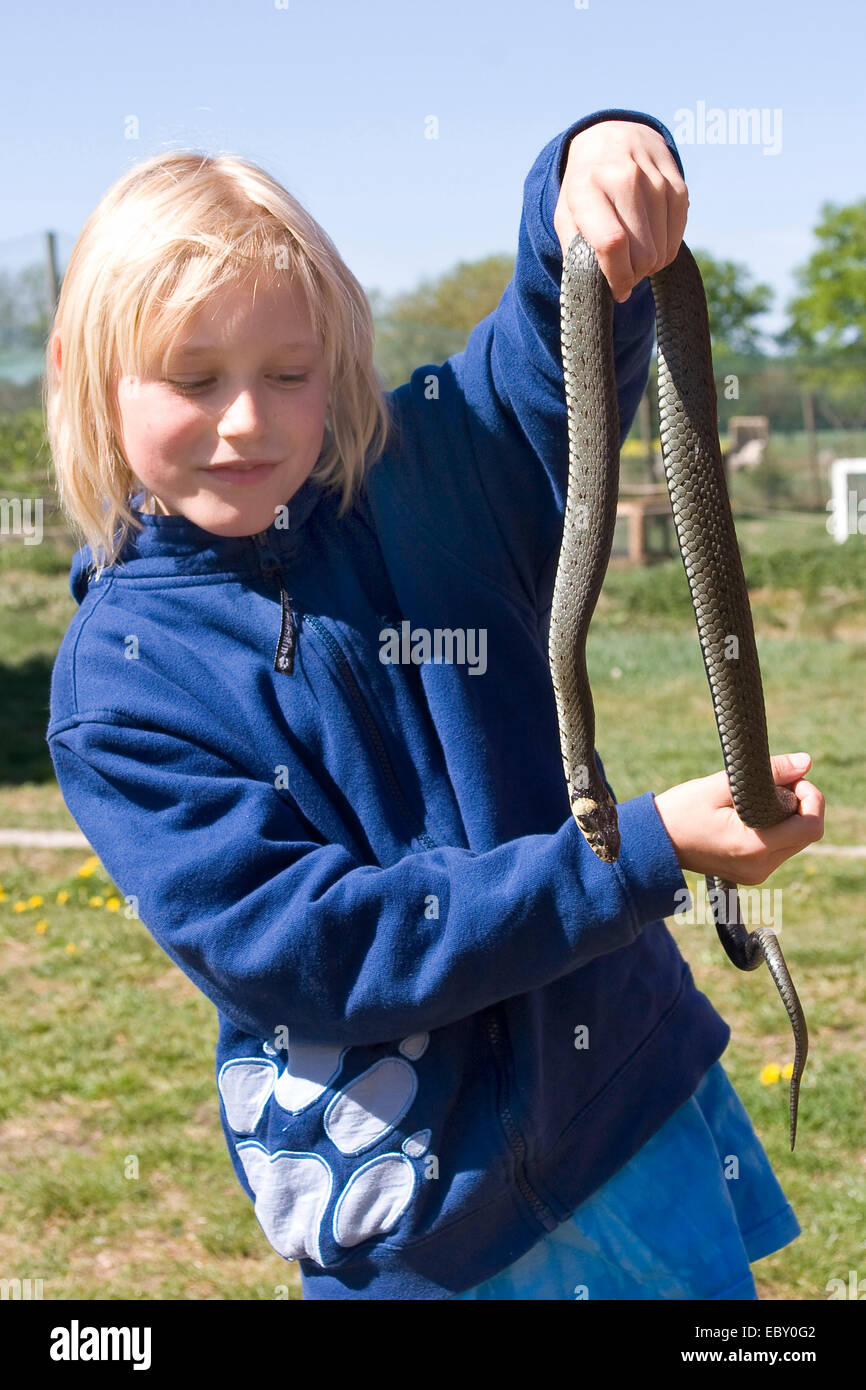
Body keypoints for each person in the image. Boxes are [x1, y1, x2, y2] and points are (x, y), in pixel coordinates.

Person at [44, 107, 825, 1301]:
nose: (246, 418)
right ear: (87, 377)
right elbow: (314, 948)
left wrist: (587, 172)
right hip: (422, 1223)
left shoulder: (433, 477)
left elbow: (548, 352)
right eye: (192, 379)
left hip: (624, 1108)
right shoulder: (122, 685)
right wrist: (638, 852)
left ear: (337, 362)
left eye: (288, 373)